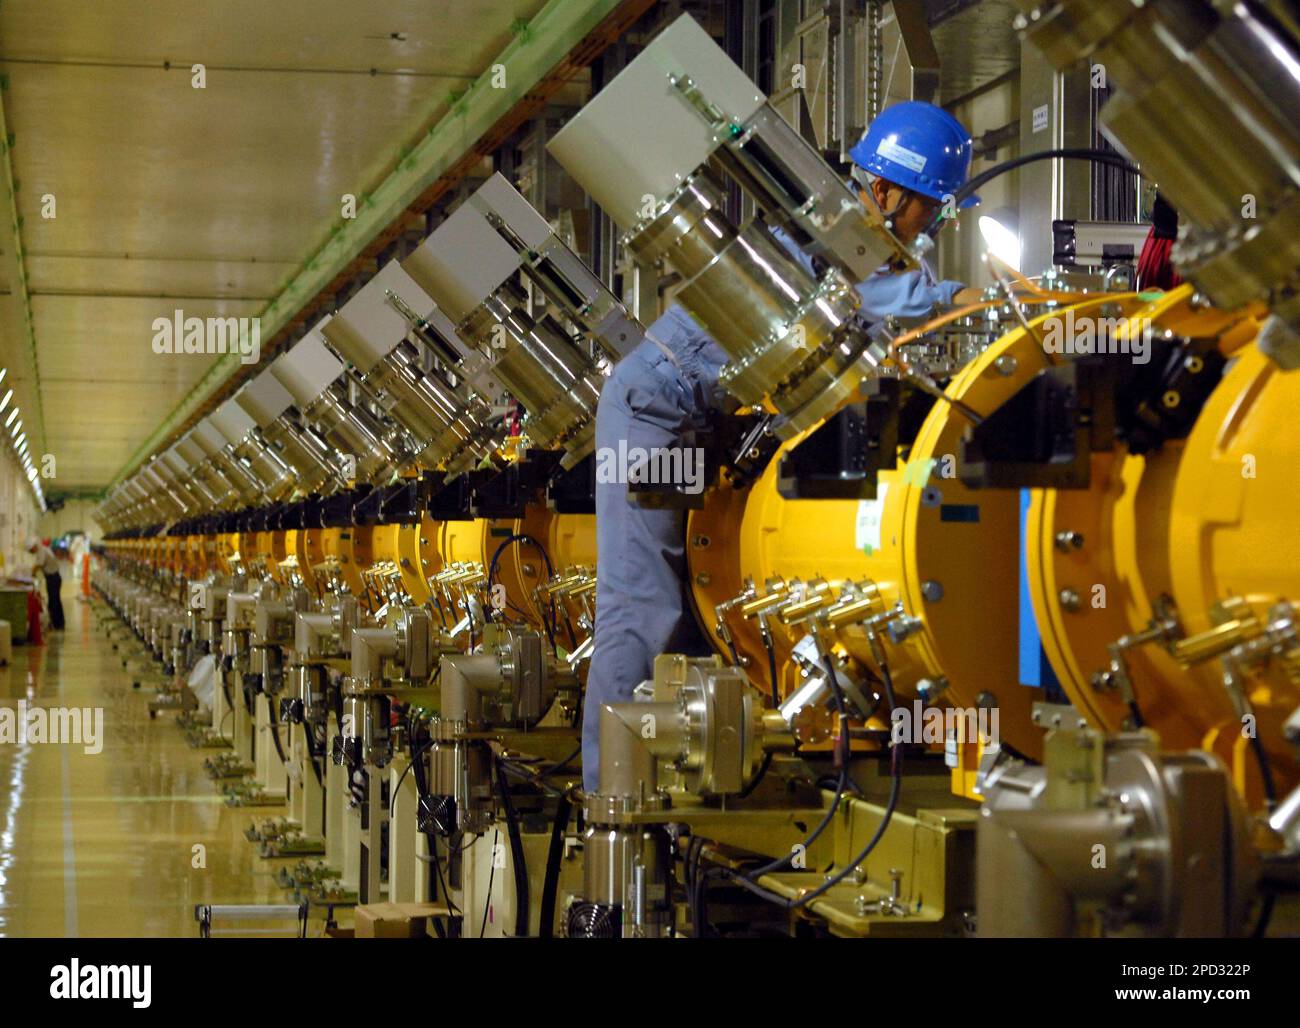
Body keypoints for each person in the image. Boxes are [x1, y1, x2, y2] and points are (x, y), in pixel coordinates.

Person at [582, 101, 982, 791]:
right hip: (650, 415)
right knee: (643, 605)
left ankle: (676, 783)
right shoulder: (816, 247)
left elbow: (890, 298)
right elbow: (880, 300)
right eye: (932, 209)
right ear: (884, 191)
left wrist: (967, 303)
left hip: (704, 423)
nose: (935, 225)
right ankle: (609, 798)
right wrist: (957, 299)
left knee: (686, 624)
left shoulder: (848, 249)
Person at [28, 537, 64, 631]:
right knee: (55, 600)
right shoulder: (43, 549)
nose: (32, 552)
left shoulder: (41, 551)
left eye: (31, 550)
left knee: (54, 601)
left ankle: (56, 624)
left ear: (34, 547)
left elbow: (39, 564)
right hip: (53, 577)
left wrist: (31, 574)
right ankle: (58, 623)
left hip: (53, 578)